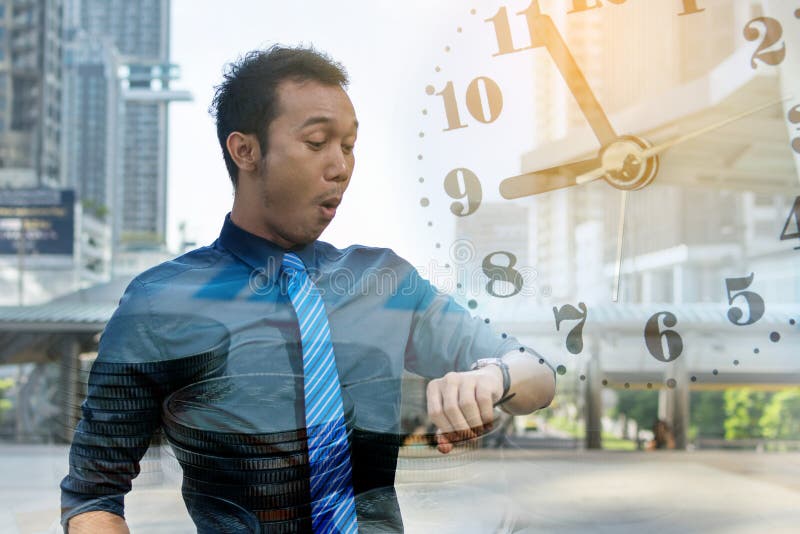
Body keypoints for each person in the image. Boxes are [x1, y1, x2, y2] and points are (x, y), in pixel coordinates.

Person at [60, 45, 556, 533]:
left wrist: (493, 376)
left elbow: (537, 373)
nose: (340, 167)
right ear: (245, 150)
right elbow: (93, 497)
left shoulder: (385, 281)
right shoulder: (158, 301)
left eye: (349, 146)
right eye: (318, 143)